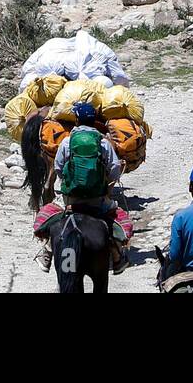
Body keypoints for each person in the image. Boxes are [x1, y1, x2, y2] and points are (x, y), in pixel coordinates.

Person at [40, 102, 128, 275]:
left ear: (77, 121)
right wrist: (104, 183)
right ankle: (117, 256)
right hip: (97, 200)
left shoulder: (67, 142)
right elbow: (115, 170)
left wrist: (68, 180)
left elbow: (58, 167)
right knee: (116, 218)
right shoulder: (104, 143)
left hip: (70, 200)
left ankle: (48, 251)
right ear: (94, 121)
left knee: (52, 213)